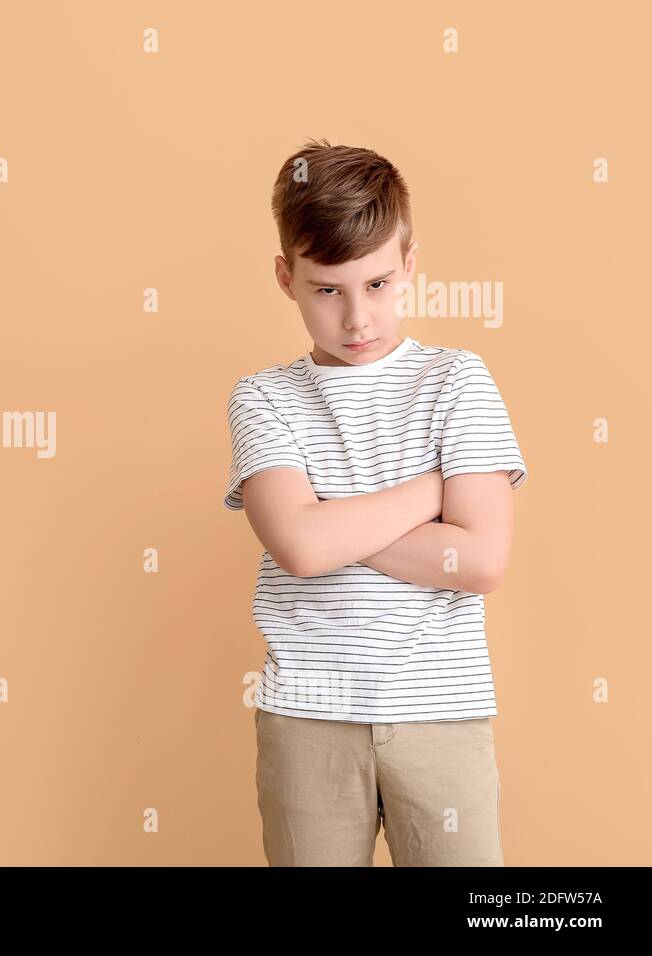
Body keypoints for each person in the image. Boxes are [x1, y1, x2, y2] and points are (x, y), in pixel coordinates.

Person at [224, 139, 528, 866]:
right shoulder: (263, 398)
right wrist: (432, 492)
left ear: (411, 264)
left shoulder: (459, 382)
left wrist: (328, 515)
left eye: (379, 284)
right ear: (285, 278)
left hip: (442, 716)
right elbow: (298, 549)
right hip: (308, 721)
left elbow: (480, 559)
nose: (358, 319)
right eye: (327, 290)